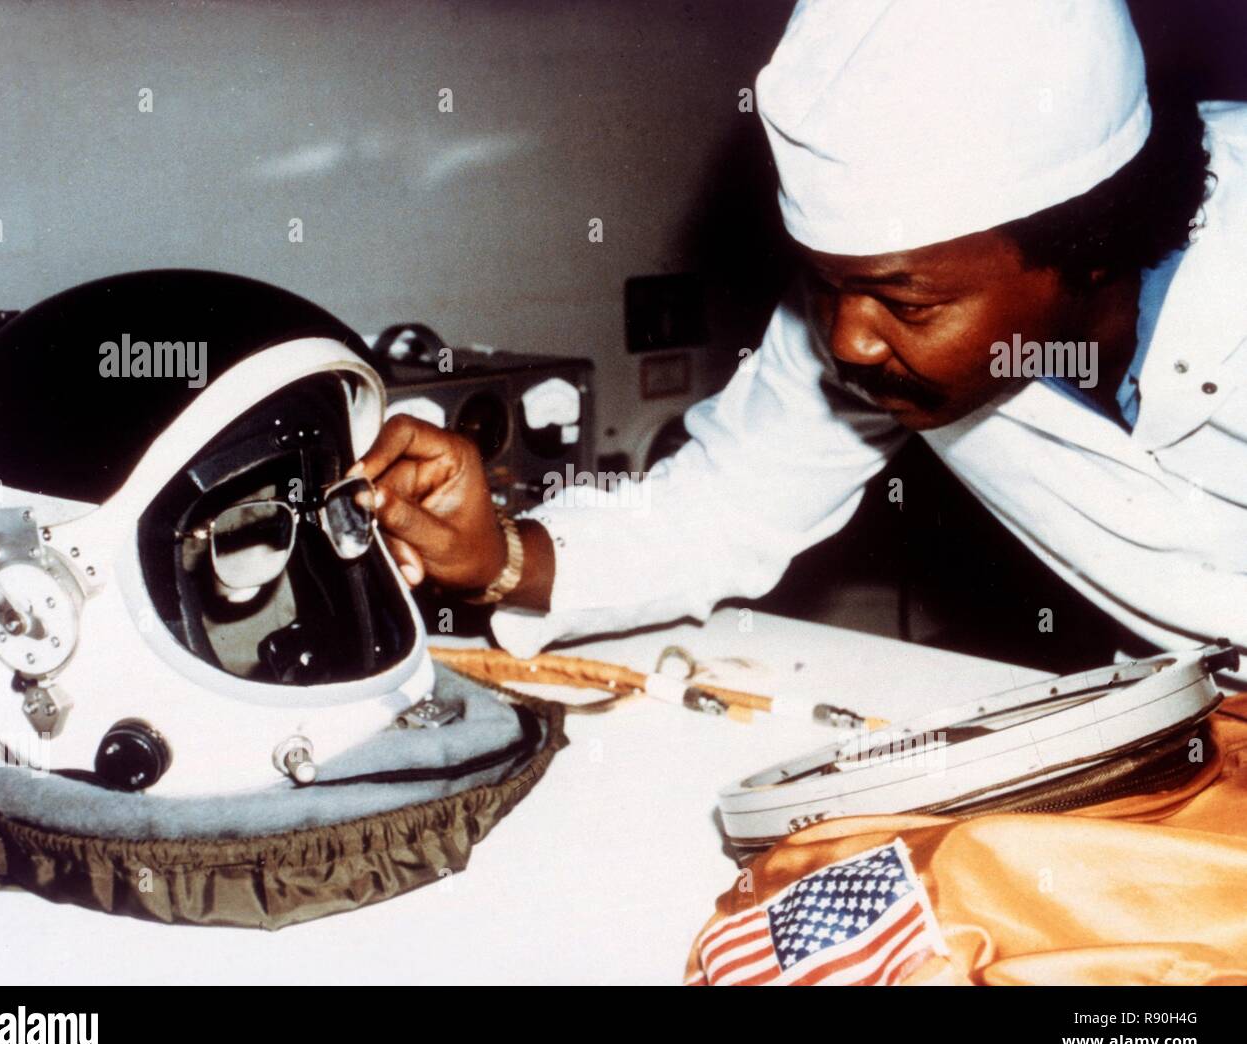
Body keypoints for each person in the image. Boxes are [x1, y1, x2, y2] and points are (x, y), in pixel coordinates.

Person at [351, 0, 1247, 672]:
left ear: (1091, 246)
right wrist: (495, 553)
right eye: (825, 283)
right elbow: (715, 509)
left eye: (908, 303)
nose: (849, 340)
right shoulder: (864, 320)